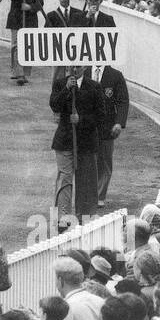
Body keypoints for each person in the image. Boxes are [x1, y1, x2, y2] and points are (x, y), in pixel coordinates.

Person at [50, 65, 112, 227]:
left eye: (78, 66)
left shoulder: (94, 87)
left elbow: (101, 116)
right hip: (65, 140)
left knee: (86, 179)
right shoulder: (60, 84)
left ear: (84, 67)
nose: (74, 69)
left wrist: (81, 120)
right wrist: (66, 89)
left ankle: (85, 215)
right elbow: (54, 106)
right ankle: (62, 216)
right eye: (72, 66)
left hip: (86, 141)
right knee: (65, 177)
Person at [91, 63, 129, 208]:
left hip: (107, 126)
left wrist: (119, 122)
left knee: (104, 161)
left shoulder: (115, 75)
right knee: (88, 160)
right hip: (87, 126)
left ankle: (100, 195)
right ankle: (89, 194)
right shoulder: (83, 70)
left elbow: (123, 101)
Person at [6, 0, 44, 83]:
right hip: (16, 19)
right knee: (16, 45)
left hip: (30, 20)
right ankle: (18, 72)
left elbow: (40, 3)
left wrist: (30, 7)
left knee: (28, 46)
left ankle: (25, 73)